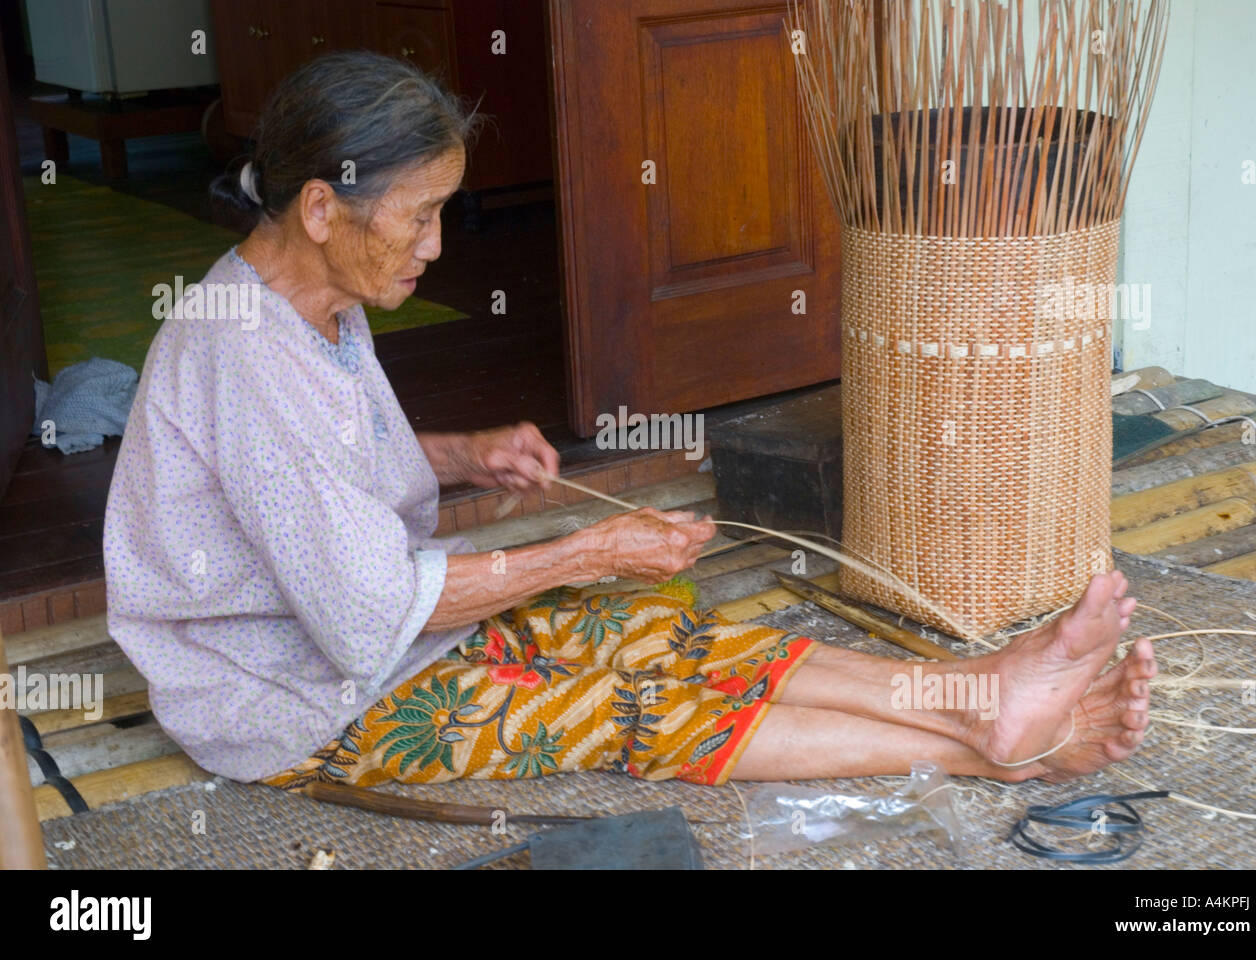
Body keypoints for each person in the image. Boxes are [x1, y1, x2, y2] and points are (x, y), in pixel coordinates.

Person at [104, 51, 1154, 795]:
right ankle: (994, 748)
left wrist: (457, 453)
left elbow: (316, 476)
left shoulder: (314, 303)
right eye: (418, 215)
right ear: (324, 209)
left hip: (364, 644)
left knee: (641, 628)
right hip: (293, 705)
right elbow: (366, 612)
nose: (433, 245)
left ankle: (976, 689)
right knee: (618, 703)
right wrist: (587, 548)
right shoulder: (237, 349)